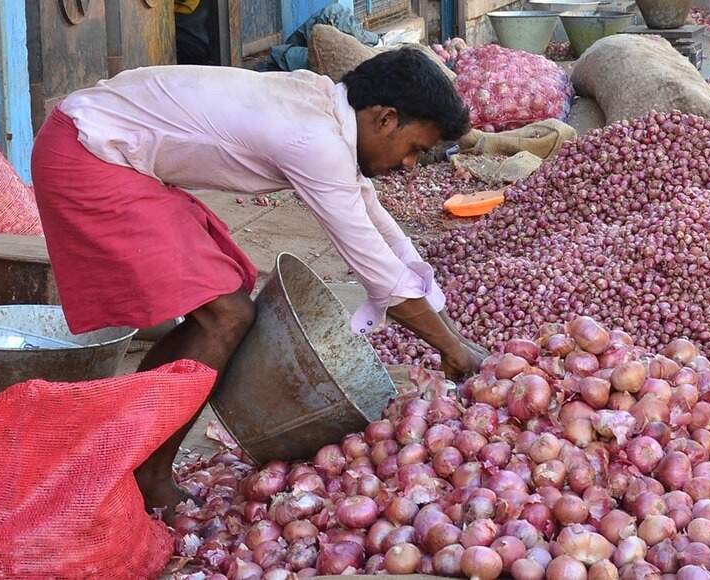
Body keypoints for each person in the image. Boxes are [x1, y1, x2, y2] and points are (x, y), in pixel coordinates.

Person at [30, 48, 487, 517]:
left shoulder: (324, 106)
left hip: (106, 145)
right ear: (386, 119)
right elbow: (374, 267)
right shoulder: (315, 141)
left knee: (221, 303)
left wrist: (446, 323)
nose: (411, 164)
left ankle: (131, 444)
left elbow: (377, 222)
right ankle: (149, 472)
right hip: (88, 151)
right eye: (415, 148)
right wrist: (453, 350)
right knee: (225, 315)